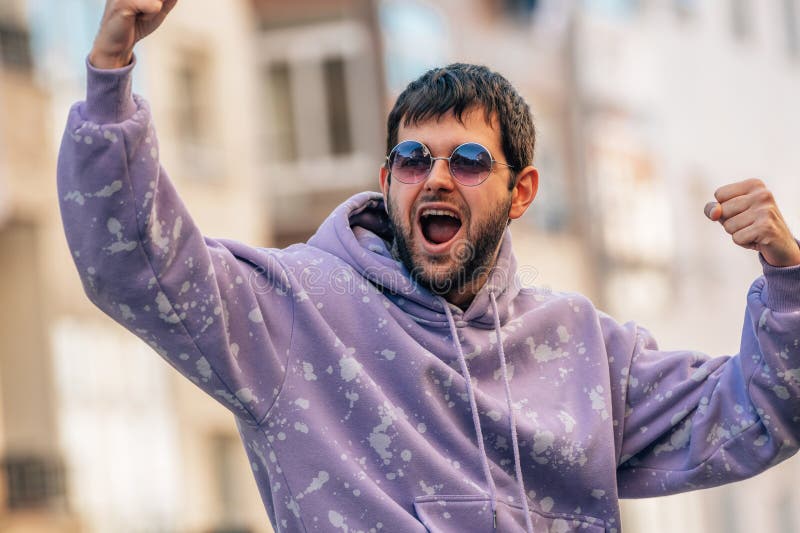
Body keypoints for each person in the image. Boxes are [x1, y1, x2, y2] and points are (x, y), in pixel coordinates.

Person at [57, 1, 800, 532]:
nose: (436, 177)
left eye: (469, 160)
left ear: (522, 191)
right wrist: (110, 69)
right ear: (388, 179)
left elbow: (761, 411)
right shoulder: (295, 310)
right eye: (414, 159)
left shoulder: (582, 349)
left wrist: (786, 272)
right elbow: (136, 265)